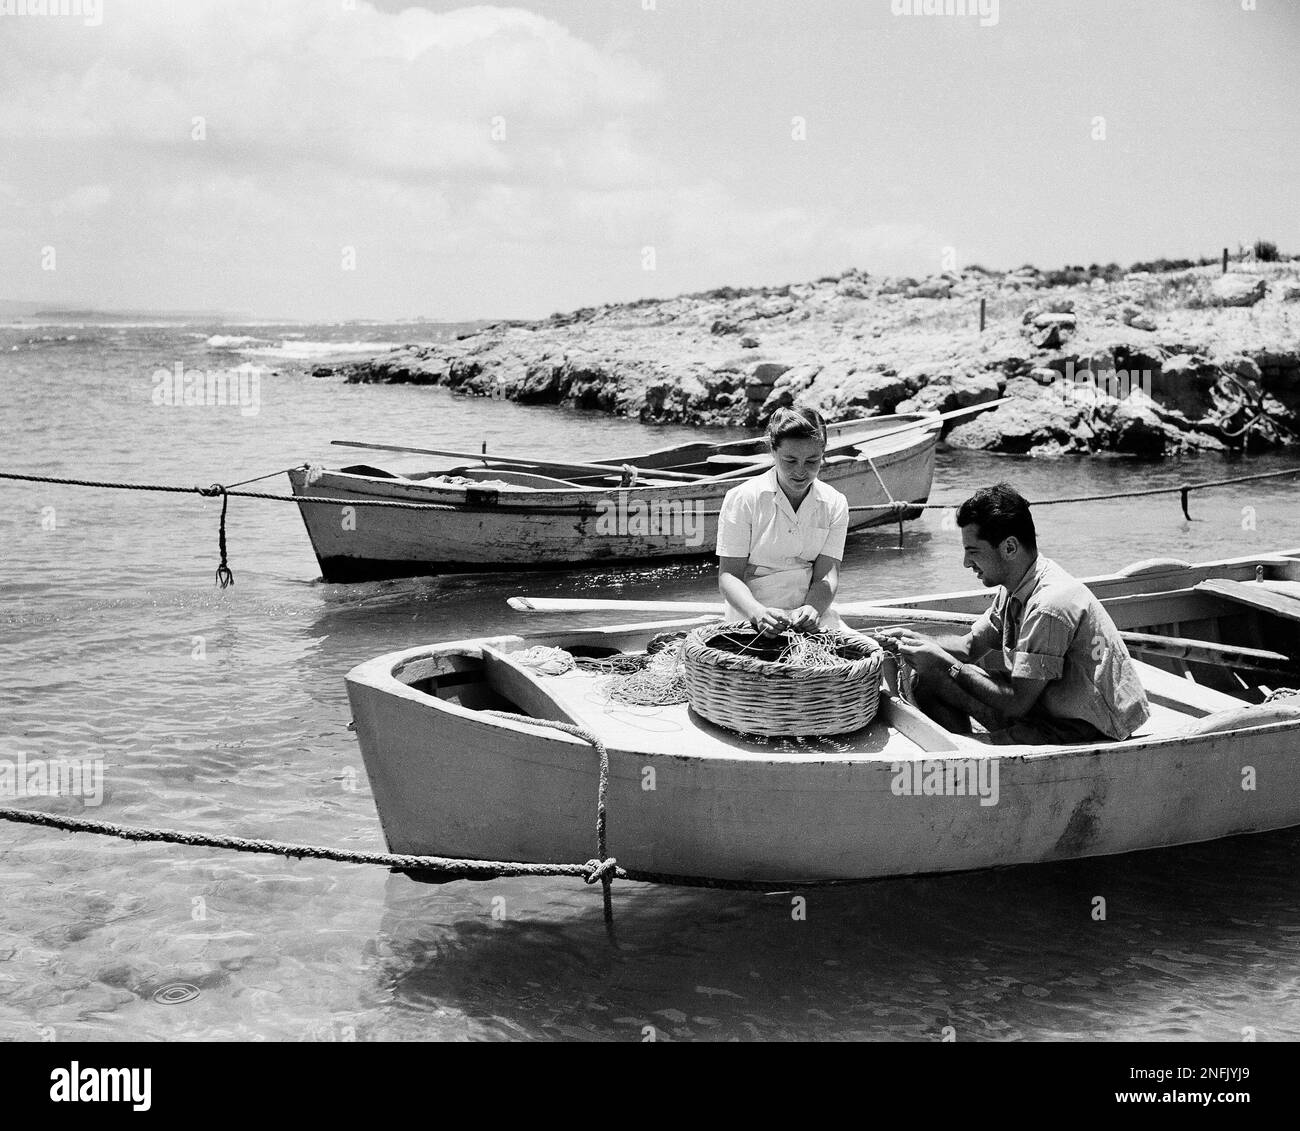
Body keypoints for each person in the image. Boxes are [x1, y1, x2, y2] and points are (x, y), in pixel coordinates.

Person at [877, 483, 1150, 744]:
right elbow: (969, 646)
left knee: (948, 686)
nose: (965, 562)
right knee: (929, 681)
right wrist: (912, 640)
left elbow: (1016, 703)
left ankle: (973, 757)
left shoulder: (1049, 605)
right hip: (1042, 702)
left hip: (1089, 725)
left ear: (1009, 547)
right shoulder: (1015, 584)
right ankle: (967, 752)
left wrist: (945, 663)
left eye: (973, 552)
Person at [716, 405, 849, 634]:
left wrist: (812, 609)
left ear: (823, 454)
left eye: (812, 461)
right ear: (773, 451)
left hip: (810, 612)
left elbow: (827, 575)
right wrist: (758, 613)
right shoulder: (743, 498)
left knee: (873, 656)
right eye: (790, 460)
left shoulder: (835, 503)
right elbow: (729, 576)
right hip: (751, 614)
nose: (800, 471)